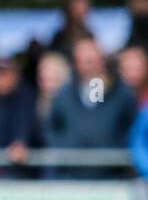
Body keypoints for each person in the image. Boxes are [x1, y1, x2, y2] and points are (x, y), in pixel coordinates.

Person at [45, 37, 139, 178]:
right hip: (71, 176)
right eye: (83, 61)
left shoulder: (120, 94)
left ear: (102, 61)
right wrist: (66, 149)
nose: (88, 66)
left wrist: (115, 149)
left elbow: (132, 128)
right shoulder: (64, 94)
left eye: (92, 61)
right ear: (76, 64)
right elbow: (52, 127)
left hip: (111, 177)